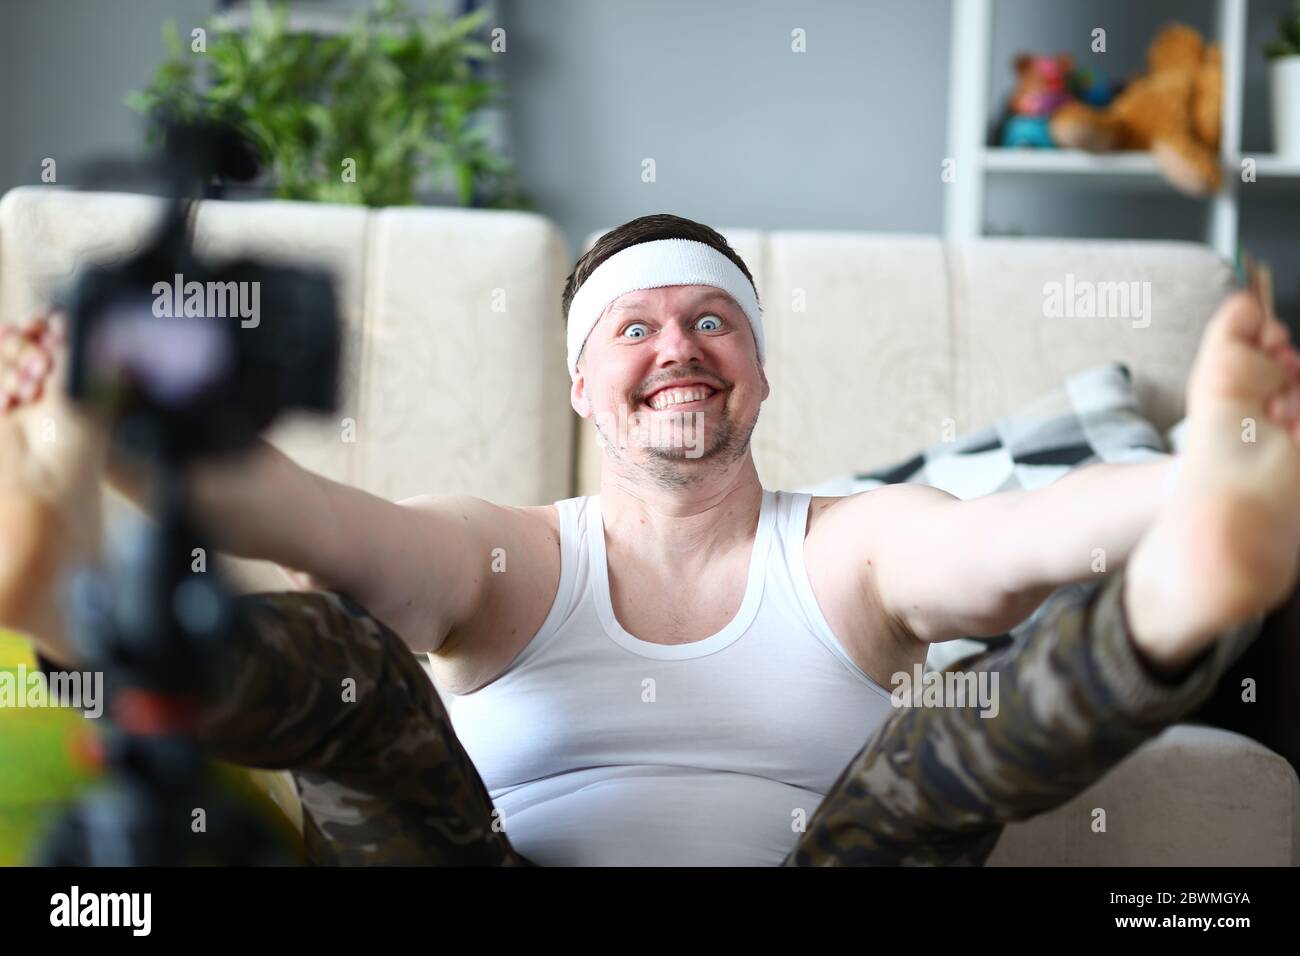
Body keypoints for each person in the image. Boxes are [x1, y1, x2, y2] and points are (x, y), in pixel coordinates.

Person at [2, 213, 1298, 865]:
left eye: (712, 321)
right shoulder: (501, 553)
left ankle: (1180, 588)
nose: (678, 347)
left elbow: (1022, 538)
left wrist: (1202, 473)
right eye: (634, 327)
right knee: (357, 667)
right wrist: (122, 428)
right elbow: (315, 523)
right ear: (581, 385)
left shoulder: (852, 545)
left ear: (760, 371)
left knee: (955, 712)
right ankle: (65, 597)